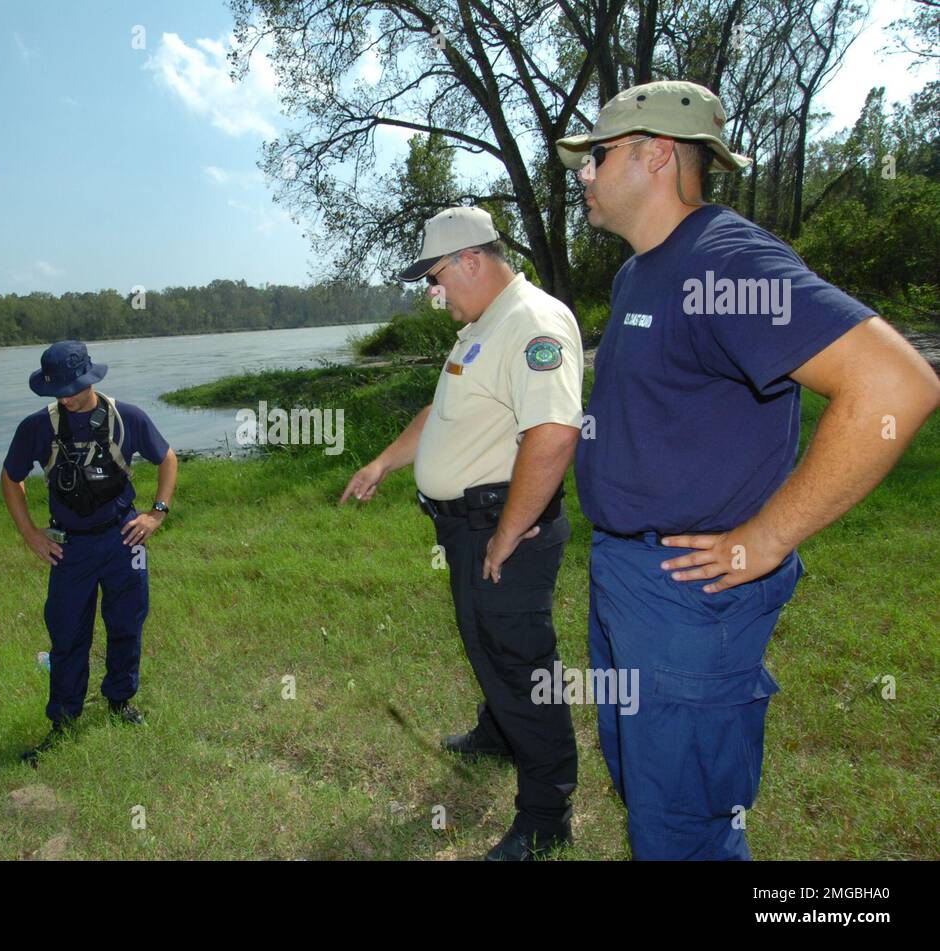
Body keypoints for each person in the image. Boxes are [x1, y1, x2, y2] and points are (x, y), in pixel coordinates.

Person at [555, 79, 940, 859]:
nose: (583, 175)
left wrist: (764, 538)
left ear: (655, 153)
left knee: (687, 829)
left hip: (688, 596)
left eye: (596, 156)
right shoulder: (641, 270)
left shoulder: (724, 262)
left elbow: (897, 384)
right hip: (629, 576)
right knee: (650, 791)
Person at [340, 206, 585, 860]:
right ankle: (498, 731)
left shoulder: (532, 320)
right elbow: (441, 410)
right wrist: (383, 461)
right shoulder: (481, 325)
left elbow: (555, 433)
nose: (432, 291)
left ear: (472, 259)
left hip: (507, 529)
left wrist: (510, 531)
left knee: (521, 661)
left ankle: (546, 815)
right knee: (488, 645)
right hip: (471, 530)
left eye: (436, 276)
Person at [1, 340, 177, 765]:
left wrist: (156, 513)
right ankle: (62, 721)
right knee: (67, 634)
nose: (65, 396)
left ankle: (120, 702)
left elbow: (167, 458)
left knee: (127, 623)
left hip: (123, 540)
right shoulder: (35, 428)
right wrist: (30, 534)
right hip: (70, 548)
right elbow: (11, 479)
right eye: (57, 389)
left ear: (92, 378)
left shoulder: (126, 417)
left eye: (73, 387)